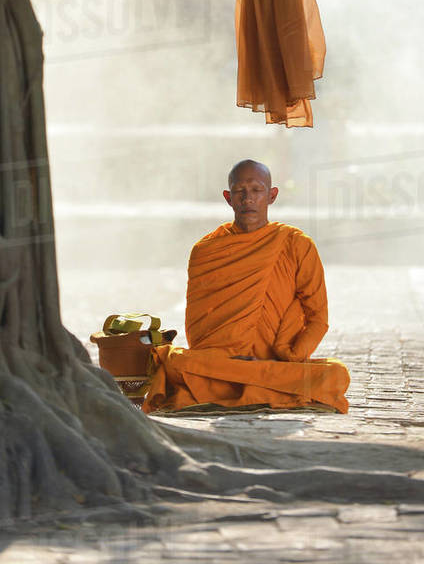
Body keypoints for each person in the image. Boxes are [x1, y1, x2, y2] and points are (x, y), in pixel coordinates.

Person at [141, 159, 349, 413]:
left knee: (335, 374)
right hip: (223, 362)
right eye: (239, 191)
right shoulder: (206, 250)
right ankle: (253, 384)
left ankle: (237, 383)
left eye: (256, 190)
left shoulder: (296, 244)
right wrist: (222, 357)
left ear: (272, 196)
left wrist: (292, 356)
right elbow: (197, 324)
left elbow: (318, 317)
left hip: (275, 362)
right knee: (176, 363)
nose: (247, 198)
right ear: (228, 198)